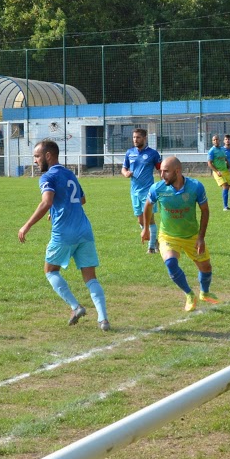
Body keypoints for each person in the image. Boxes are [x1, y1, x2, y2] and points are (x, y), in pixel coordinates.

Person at [19, 138, 110, 330]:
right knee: (90, 277)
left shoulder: (47, 177)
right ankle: (103, 319)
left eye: (37, 156)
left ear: (48, 156)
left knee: (50, 271)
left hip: (64, 233)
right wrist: (59, 209)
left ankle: (76, 307)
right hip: (84, 230)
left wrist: (26, 225)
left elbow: (46, 202)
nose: (35, 161)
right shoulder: (70, 173)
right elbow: (82, 199)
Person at [142, 156, 220, 311]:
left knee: (206, 268)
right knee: (170, 263)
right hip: (168, 236)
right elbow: (147, 207)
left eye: (166, 171)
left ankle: (204, 292)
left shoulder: (195, 187)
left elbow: (205, 211)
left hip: (192, 236)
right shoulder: (157, 188)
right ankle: (189, 294)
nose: (161, 175)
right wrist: (145, 228)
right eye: (160, 171)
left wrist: (201, 238)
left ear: (177, 171)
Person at [122, 127, 163, 254]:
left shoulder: (152, 154)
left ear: (145, 138)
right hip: (134, 191)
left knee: (150, 219)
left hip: (148, 191)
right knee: (140, 220)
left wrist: (165, 183)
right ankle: (155, 241)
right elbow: (124, 169)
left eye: (138, 137)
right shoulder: (129, 153)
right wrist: (126, 173)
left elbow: (161, 169)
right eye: (134, 137)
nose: (135, 139)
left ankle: (151, 248)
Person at [206, 134, 230, 211]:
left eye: (217, 139)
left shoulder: (222, 149)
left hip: (226, 171)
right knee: (225, 186)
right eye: (214, 140)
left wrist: (229, 168)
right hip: (218, 172)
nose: (215, 141)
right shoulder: (211, 151)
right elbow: (209, 163)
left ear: (219, 140)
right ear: (212, 141)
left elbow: (225, 159)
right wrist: (216, 171)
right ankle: (225, 207)